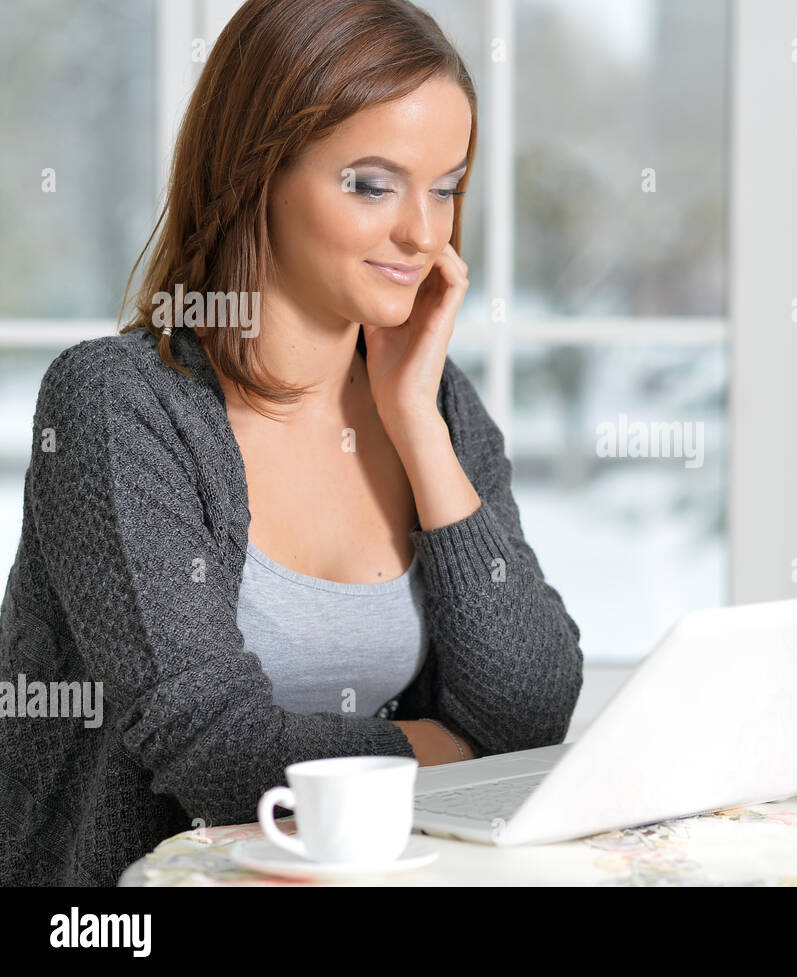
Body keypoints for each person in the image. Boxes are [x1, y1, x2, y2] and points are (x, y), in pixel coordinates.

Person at [0, 0, 583, 886]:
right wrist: (446, 747)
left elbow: (533, 710)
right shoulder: (118, 406)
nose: (423, 235)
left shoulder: (441, 404)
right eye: (371, 183)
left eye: (446, 186)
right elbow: (221, 756)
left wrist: (417, 424)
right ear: (256, 174)